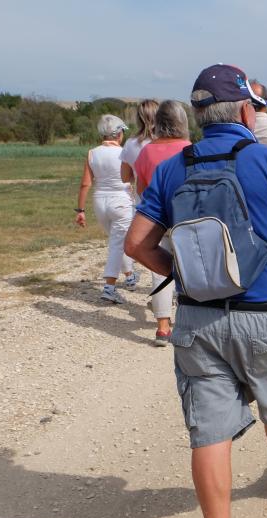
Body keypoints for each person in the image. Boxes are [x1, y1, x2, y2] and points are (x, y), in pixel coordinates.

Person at [124, 64, 267, 518]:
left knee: (209, 433)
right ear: (246, 110)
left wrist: (182, 274)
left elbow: (137, 244)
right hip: (264, 316)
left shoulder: (171, 169)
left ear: (200, 116)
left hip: (196, 319)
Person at [132, 100, 192, 347]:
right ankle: (189, 321)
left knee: (159, 270)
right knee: (189, 268)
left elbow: (141, 188)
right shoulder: (190, 148)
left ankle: (162, 327)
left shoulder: (146, 151)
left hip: (159, 218)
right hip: (186, 217)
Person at [74, 114, 137, 303]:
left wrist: (80, 210)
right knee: (118, 244)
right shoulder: (125, 152)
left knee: (117, 240)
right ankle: (109, 287)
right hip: (121, 201)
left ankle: (130, 276)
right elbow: (133, 177)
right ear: (118, 134)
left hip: (100, 202)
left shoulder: (92, 153)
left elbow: (85, 184)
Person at [120, 99, 159, 194]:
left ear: (139, 119)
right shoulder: (167, 142)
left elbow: (125, 178)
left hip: (142, 200)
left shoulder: (130, 143)